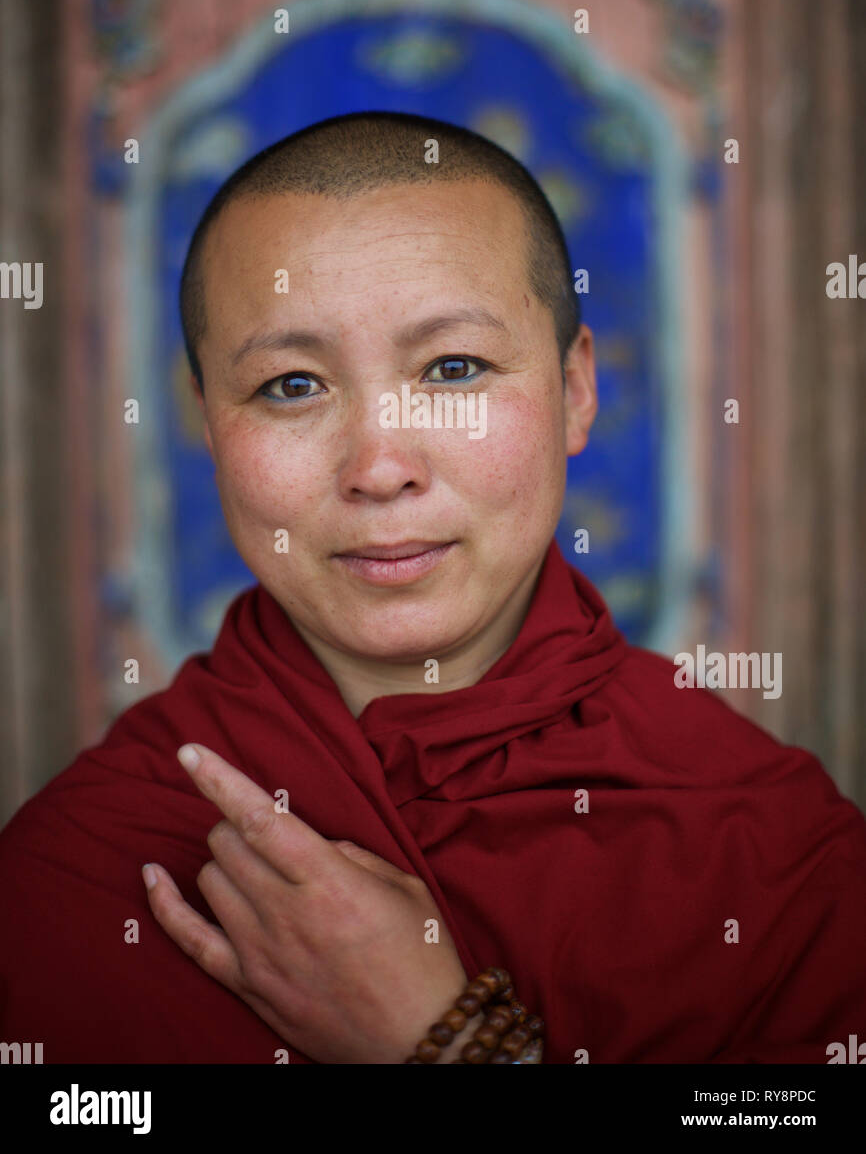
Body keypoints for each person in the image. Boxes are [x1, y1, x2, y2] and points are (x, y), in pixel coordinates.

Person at [1, 111, 864, 1064]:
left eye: (454, 368)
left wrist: (444, 1047)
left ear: (576, 391)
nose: (378, 467)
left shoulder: (767, 849)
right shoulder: (89, 867)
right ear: (208, 422)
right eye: (291, 385)